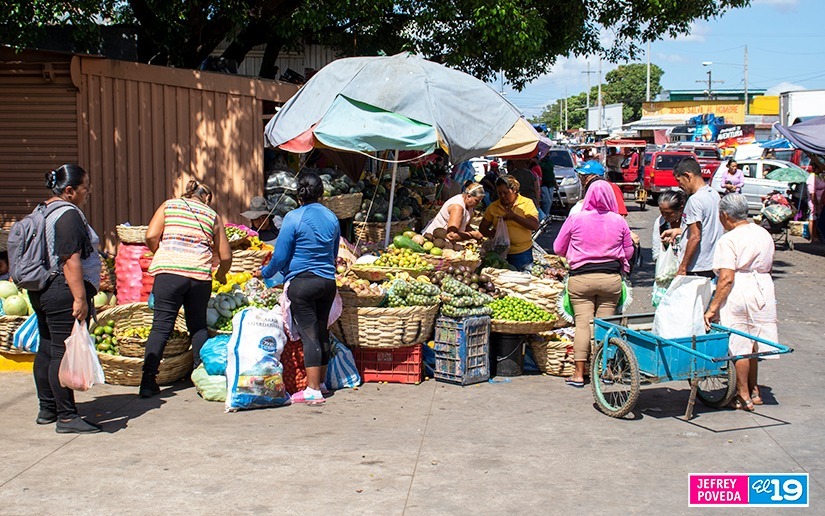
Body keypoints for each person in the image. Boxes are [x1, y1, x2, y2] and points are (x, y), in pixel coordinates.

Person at [27, 164, 102, 433]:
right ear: (69, 191)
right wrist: (80, 298)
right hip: (62, 290)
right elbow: (71, 260)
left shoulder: (43, 210)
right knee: (60, 351)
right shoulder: (68, 215)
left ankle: (47, 409)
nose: (88, 192)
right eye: (85, 187)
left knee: (47, 347)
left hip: (42, 289)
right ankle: (67, 417)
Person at [140, 180, 232, 398]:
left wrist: (163, 254)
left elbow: (151, 236)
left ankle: (147, 381)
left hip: (169, 275)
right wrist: (220, 274)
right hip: (199, 276)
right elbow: (226, 256)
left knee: (161, 327)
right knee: (198, 326)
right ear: (207, 197)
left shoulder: (169, 205)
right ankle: (200, 375)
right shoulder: (212, 216)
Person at [260, 172, 340, 405]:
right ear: (321, 193)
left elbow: (280, 257)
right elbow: (333, 254)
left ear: (298, 195)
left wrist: (264, 273)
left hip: (303, 284)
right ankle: (322, 383)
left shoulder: (294, 217)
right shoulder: (332, 217)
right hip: (327, 283)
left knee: (309, 335)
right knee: (322, 331)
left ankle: (312, 390)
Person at [553, 181, 634, 387]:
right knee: (605, 326)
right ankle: (606, 371)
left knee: (583, 325)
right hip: (610, 280)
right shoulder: (619, 221)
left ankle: (579, 374)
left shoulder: (575, 219)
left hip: (581, 280)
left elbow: (558, 248)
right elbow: (629, 251)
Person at [703, 194, 779, 411]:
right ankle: (754, 391)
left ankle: (742, 394)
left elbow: (726, 278)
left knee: (739, 345)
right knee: (753, 342)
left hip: (741, 290)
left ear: (725, 215)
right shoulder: (762, 233)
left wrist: (712, 308)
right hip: (763, 287)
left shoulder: (729, 239)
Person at [662, 158, 724, 278]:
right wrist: (678, 231)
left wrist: (683, 267)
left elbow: (695, 236)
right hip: (712, 263)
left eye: (679, 181)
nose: (679, 186)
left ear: (687, 176)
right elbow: (707, 228)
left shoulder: (695, 200)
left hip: (697, 266)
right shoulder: (714, 194)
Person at [479, 175, 540, 270]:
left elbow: (534, 225)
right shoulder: (493, 207)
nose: (502, 196)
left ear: (514, 190)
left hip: (521, 253)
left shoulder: (526, 203)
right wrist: (493, 235)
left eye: (505, 193)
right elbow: (482, 228)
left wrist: (514, 217)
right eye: (499, 193)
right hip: (499, 253)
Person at [651, 190, 687, 307]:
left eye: (669, 213)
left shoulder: (687, 223)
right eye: (662, 212)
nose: (665, 216)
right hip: (667, 275)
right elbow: (656, 251)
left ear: (680, 209)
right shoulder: (660, 222)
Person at [806, 164, 825, 242]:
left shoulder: (818, 177)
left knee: (817, 217)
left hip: (820, 200)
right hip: (814, 201)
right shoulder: (811, 178)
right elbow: (812, 193)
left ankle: (816, 234)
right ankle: (813, 236)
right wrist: (816, 203)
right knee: (813, 217)